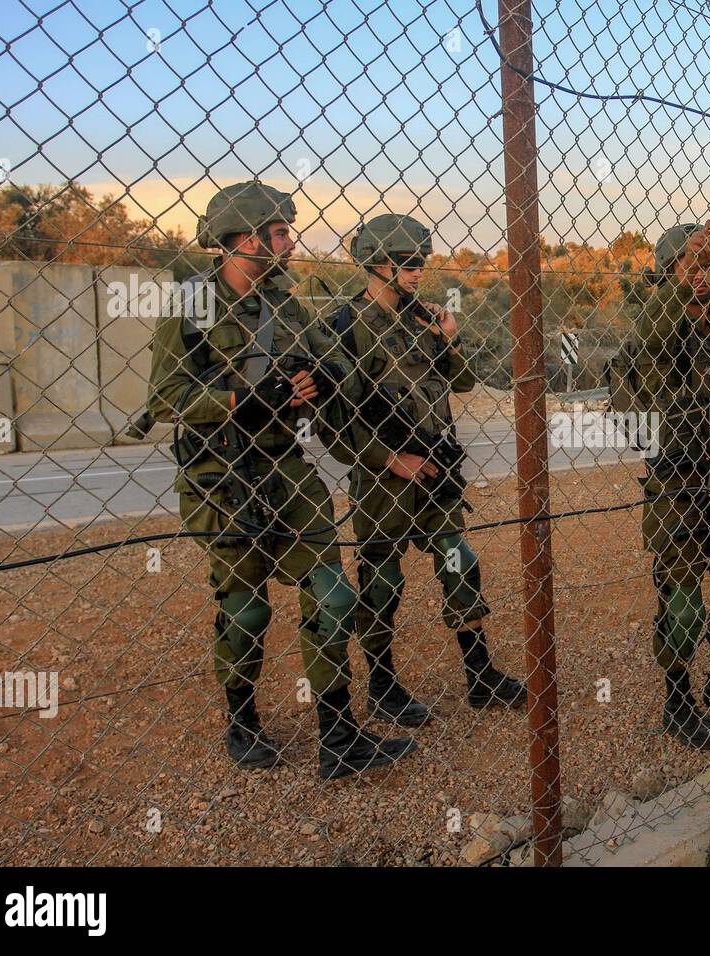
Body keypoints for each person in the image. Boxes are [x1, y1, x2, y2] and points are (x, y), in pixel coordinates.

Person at [146, 181, 418, 779]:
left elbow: (337, 363)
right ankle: (241, 721)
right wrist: (245, 395)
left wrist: (316, 377)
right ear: (244, 237)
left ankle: (339, 736)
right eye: (279, 232)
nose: (290, 242)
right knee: (245, 611)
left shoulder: (283, 304)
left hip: (286, 468)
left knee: (334, 594)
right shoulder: (191, 304)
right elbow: (164, 399)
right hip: (223, 474)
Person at [322, 212, 526, 727]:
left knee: (461, 561)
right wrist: (391, 459)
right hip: (384, 480)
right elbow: (333, 422)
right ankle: (384, 683)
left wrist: (450, 337)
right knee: (382, 583)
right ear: (377, 264)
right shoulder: (344, 328)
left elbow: (461, 385)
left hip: (436, 470)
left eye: (421, 264)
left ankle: (479, 675)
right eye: (407, 265)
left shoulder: (423, 318)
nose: (417, 274)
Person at [633, 221, 710, 750]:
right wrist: (675, 283)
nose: (702, 277)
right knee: (682, 606)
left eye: (709, 268)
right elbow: (653, 331)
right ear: (668, 272)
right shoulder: (658, 330)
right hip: (677, 491)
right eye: (690, 267)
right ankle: (677, 700)